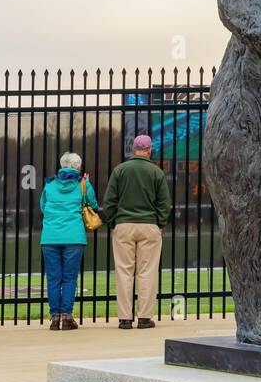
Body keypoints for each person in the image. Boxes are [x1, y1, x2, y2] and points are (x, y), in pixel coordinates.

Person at [103, 134, 171, 329]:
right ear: (149, 150)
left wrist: (114, 222)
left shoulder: (120, 170)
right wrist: (159, 222)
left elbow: (109, 202)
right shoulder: (156, 172)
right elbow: (164, 203)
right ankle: (144, 317)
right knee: (147, 272)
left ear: (133, 149)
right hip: (149, 225)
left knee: (124, 272)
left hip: (124, 225)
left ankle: (125, 318)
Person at [39, 151, 99, 331]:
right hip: (74, 237)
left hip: (50, 237)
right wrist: (87, 183)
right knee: (70, 277)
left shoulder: (49, 185)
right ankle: (66, 316)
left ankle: (54, 317)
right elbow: (93, 205)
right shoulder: (82, 184)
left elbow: (43, 206)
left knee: (53, 278)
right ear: (78, 167)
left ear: (61, 165)